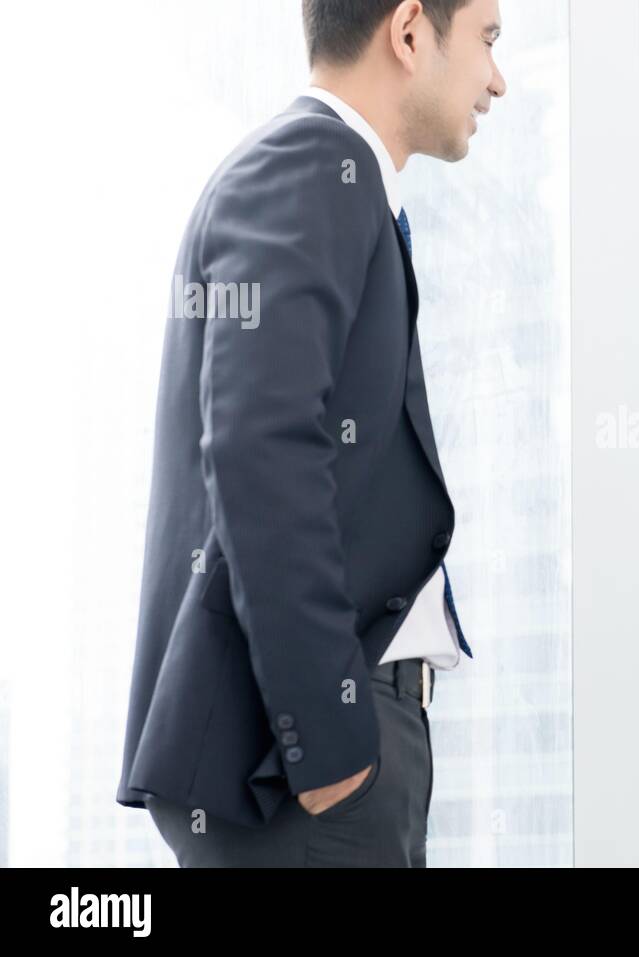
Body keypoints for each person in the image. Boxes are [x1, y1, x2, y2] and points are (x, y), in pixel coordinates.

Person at [116, 0, 506, 866]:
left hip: (316, 758)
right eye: (487, 39)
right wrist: (327, 743)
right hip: (301, 772)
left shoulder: (331, 175)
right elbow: (261, 449)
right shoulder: (313, 163)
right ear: (410, 32)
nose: (497, 79)